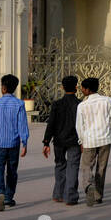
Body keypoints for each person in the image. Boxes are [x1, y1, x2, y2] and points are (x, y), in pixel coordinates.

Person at [75, 77, 111, 207]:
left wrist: (81, 141)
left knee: (87, 167)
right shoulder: (108, 101)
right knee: (101, 168)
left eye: (82, 88)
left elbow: (79, 126)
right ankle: (98, 196)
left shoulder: (82, 106)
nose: (81, 90)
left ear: (87, 89)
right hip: (105, 140)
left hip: (89, 141)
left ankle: (88, 186)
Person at [0, 74, 28, 211]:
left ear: (3, 88)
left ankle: (0, 193)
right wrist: (24, 143)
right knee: (12, 171)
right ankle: (8, 197)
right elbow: (22, 125)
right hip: (13, 144)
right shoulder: (19, 104)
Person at [41, 76, 80, 205]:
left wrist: (46, 142)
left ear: (62, 87)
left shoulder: (57, 104)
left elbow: (51, 123)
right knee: (73, 167)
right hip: (74, 140)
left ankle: (58, 194)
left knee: (60, 165)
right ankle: (70, 196)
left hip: (59, 140)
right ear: (76, 87)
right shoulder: (79, 104)